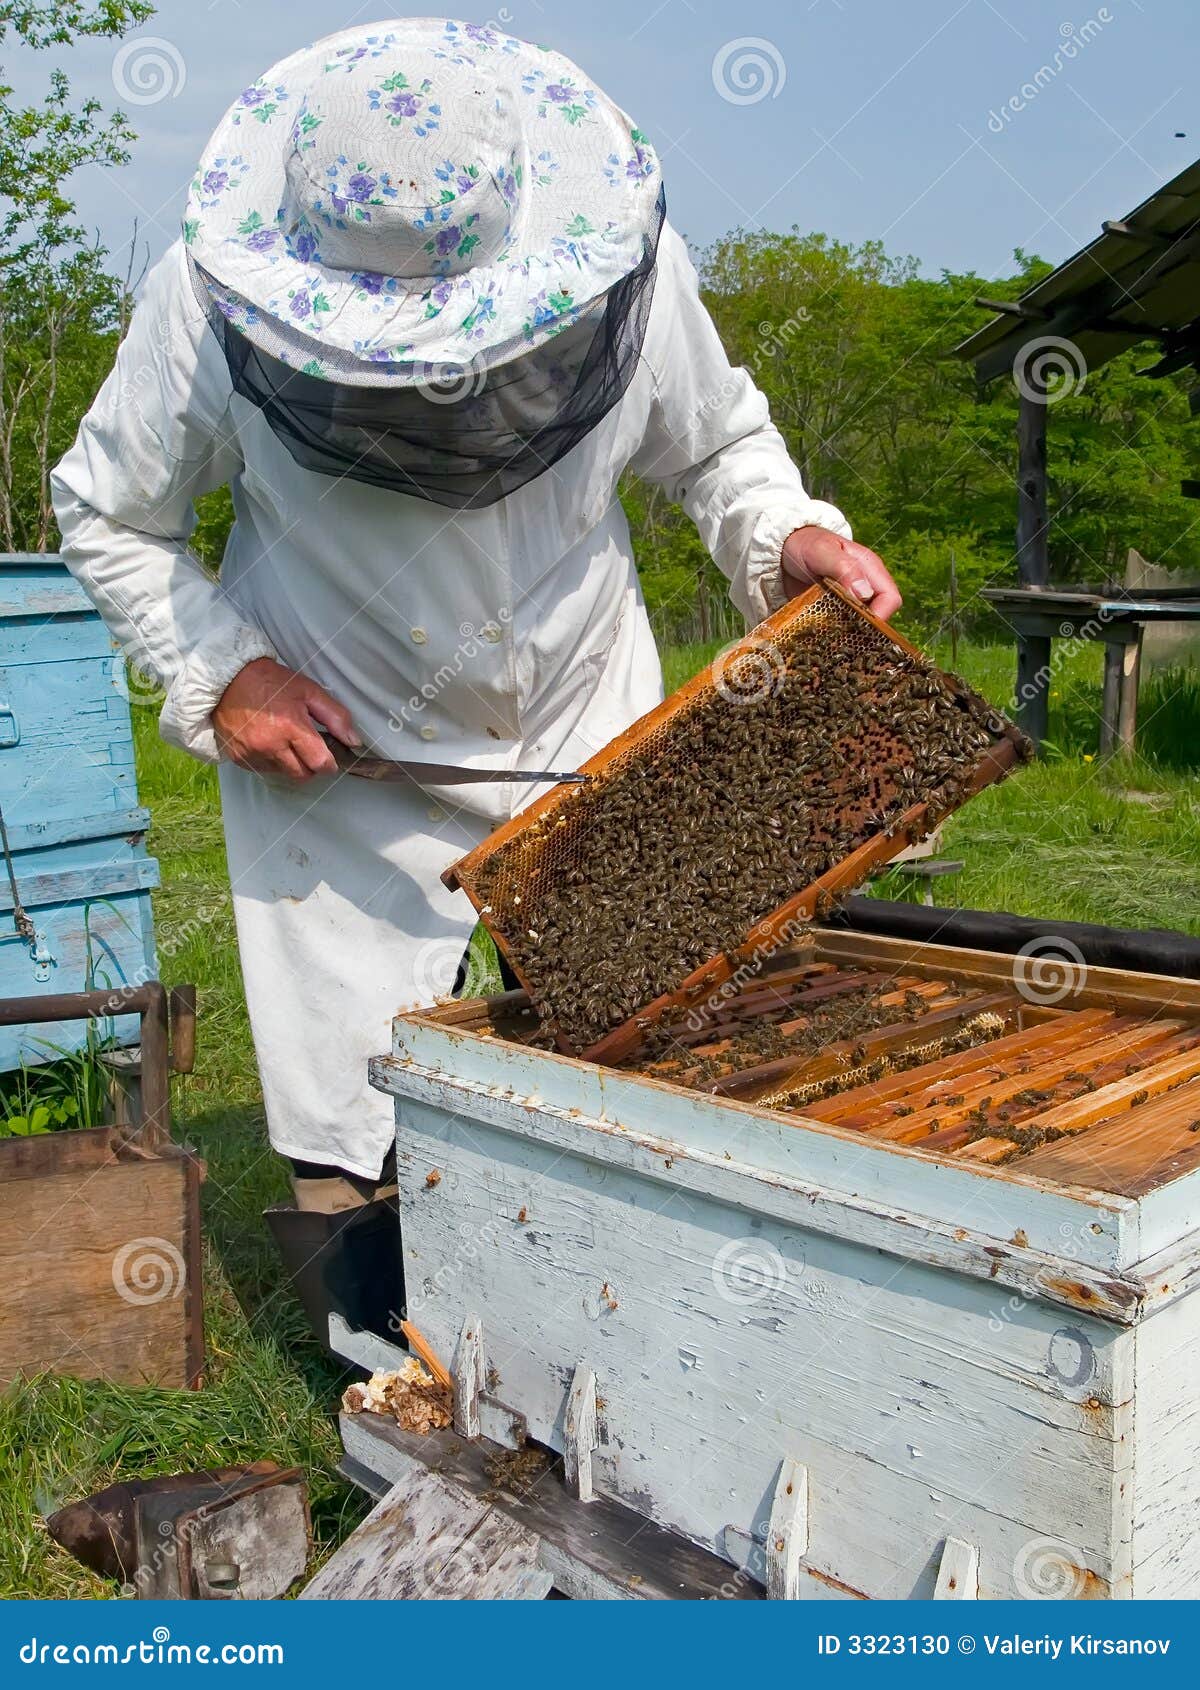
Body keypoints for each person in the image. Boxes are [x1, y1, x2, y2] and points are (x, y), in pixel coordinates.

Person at [52, 17, 900, 1339]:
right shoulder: (204, 310)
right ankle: (391, 1361)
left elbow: (718, 444)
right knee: (351, 1100)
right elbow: (109, 511)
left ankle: (641, 1331)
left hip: (585, 719)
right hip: (344, 756)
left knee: (645, 1051)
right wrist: (224, 675)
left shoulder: (627, 271)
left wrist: (782, 533)